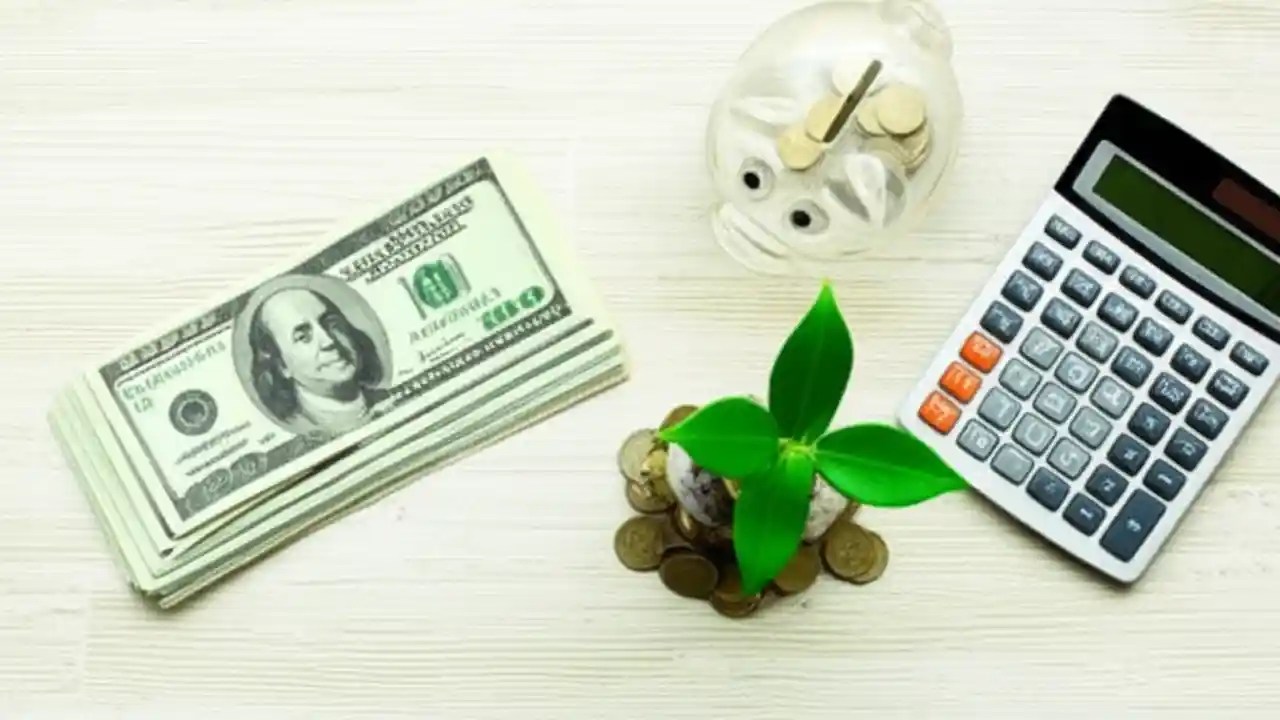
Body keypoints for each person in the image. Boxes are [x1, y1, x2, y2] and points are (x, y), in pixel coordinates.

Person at [247, 286, 389, 437]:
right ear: (282, 365)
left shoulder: (387, 398)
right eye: (303, 337)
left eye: (331, 324)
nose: (328, 341)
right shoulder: (301, 429)